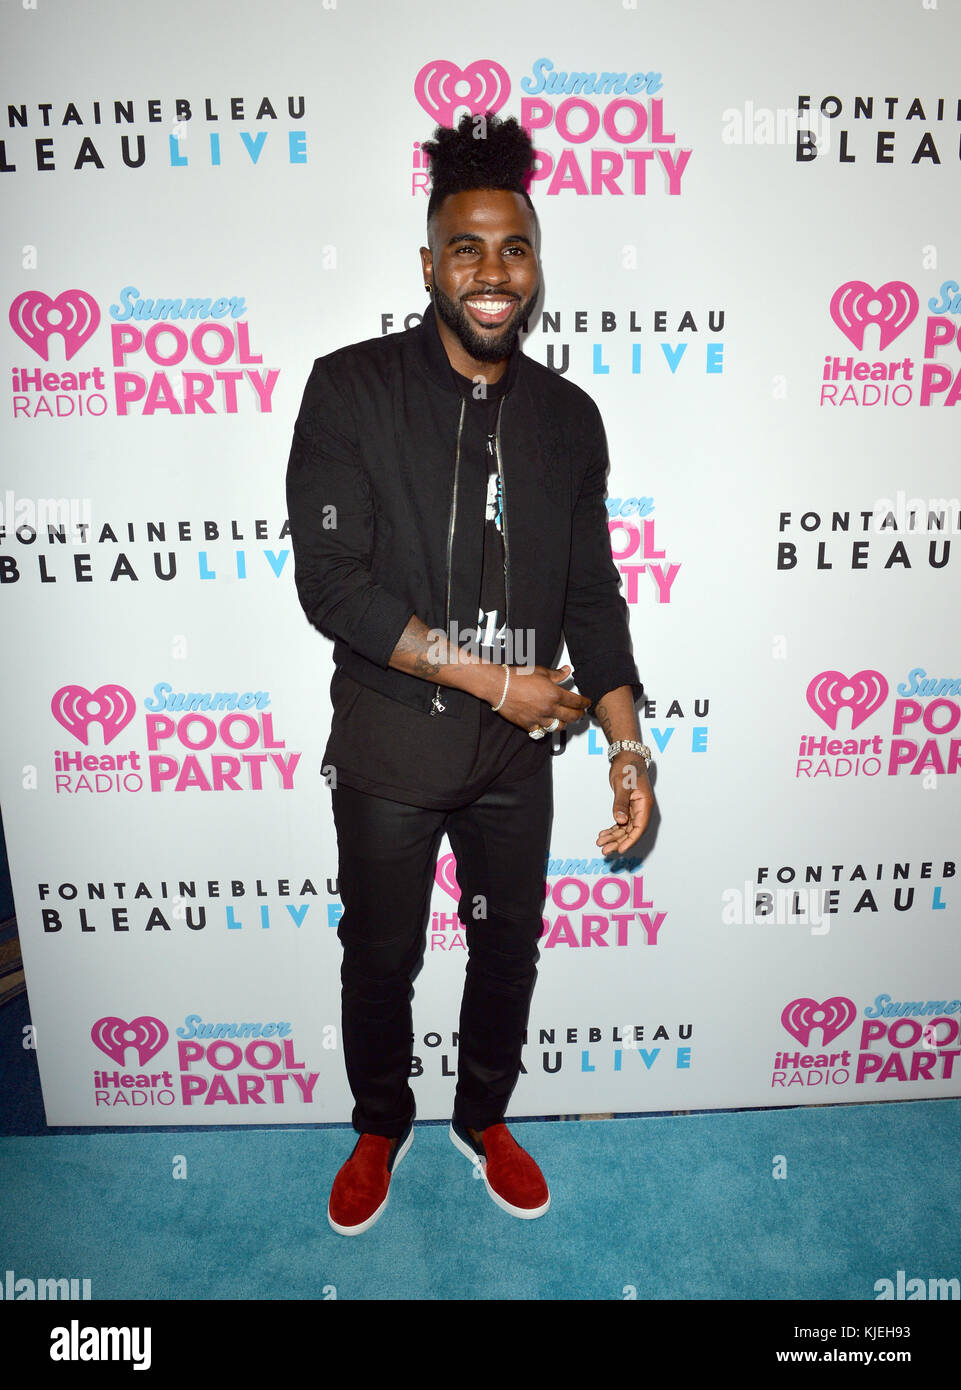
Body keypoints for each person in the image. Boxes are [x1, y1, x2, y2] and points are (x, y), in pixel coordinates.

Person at [286, 112, 653, 1236]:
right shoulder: (348, 389)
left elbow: (591, 596)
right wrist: (500, 680)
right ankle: (379, 1122)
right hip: (394, 748)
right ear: (429, 265)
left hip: (514, 760)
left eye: (514, 248)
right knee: (381, 957)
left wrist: (626, 743)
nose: (492, 272)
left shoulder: (568, 418)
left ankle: (480, 1114)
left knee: (507, 950)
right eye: (466, 247)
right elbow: (333, 588)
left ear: (536, 264)